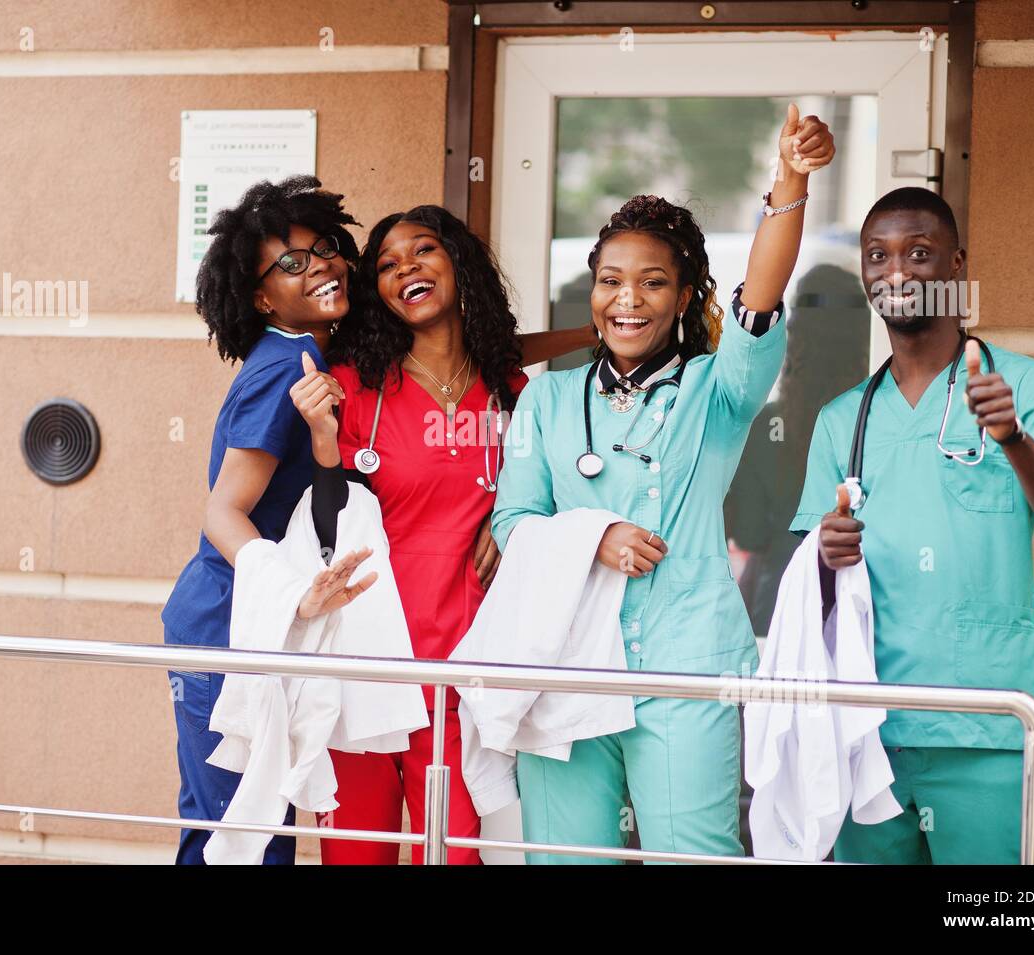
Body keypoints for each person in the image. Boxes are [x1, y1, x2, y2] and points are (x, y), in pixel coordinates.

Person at [489, 104, 835, 863]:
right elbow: (512, 520)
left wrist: (789, 179)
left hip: (686, 669)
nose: (628, 299)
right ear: (594, 294)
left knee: (694, 853)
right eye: (611, 281)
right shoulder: (546, 399)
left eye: (652, 283)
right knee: (563, 857)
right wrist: (593, 538)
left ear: (682, 298)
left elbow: (761, 296)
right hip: (569, 663)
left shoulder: (719, 388)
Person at [288, 204, 594, 864]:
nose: (407, 270)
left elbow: (555, 496)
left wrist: (513, 518)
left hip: (463, 680)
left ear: (458, 263)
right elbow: (324, 521)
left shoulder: (510, 389)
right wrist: (320, 441)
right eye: (389, 266)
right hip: (365, 673)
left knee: (456, 856)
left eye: (423, 251)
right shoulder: (354, 388)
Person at [792, 186, 1034, 864]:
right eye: (878, 255)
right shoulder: (844, 418)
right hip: (866, 732)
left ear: (957, 265)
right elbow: (808, 580)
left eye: (918, 253)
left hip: (985, 727)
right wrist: (824, 550)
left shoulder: (1028, 384)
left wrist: (1012, 437)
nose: (896, 271)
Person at [161, 176, 377, 865]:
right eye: (291, 263)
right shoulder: (282, 365)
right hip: (226, 625)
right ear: (259, 296)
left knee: (258, 827)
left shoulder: (311, 354)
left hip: (264, 624)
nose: (318, 267)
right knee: (233, 829)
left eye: (326, 250)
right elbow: (222, 510)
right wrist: (290, 590)